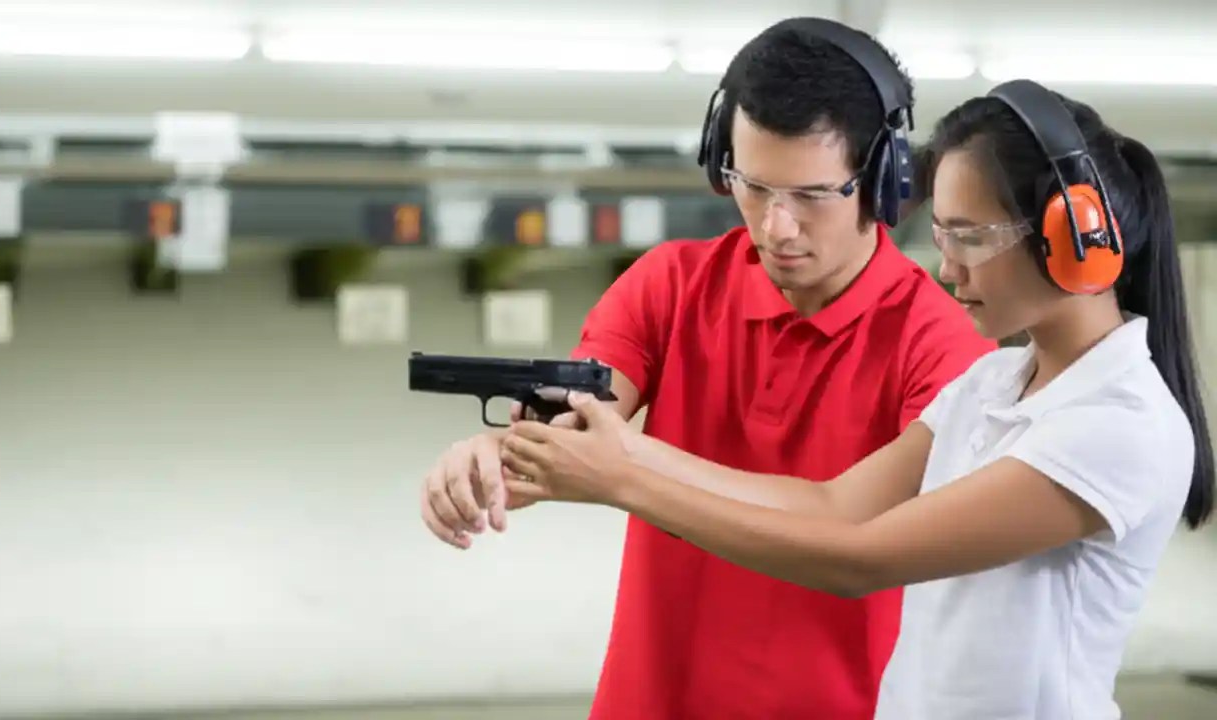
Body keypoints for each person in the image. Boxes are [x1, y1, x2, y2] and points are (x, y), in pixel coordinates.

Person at [499, 78, 1216, 719]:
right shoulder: (993, 382)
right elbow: (834, 503)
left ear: (1076, 237)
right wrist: (624, 450)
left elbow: (860, 557)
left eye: (970, 237)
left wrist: (624, 481)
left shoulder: (1118, 425)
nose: (947, 264)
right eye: (941, 234)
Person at [418, 18, 995, 719]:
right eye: (752, 186)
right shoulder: (669, 285)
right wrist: (494, 455)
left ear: (881, 181)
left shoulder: (943, 348)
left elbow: (854, 531)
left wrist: (626, 469)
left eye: (811, 195)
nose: (777, 225)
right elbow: (579, 422)